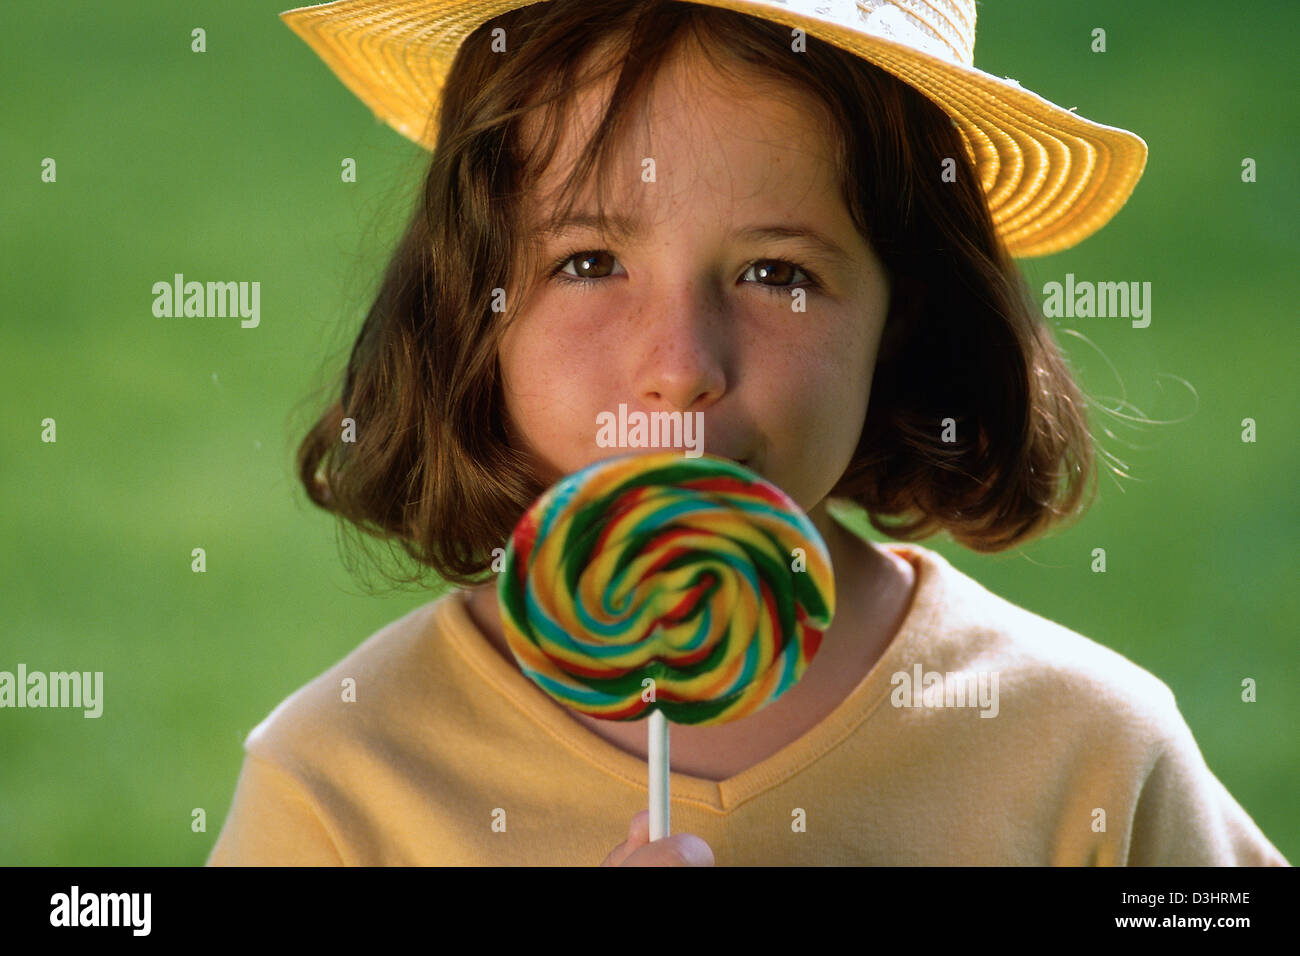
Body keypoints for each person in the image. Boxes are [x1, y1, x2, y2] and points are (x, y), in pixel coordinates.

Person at [207, 0, 1288, 865]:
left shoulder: (1088, 756)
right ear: (468, 302)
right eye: (587, 261)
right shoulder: (341, 785)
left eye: (779, 273)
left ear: (900, 312)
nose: (681, 362)